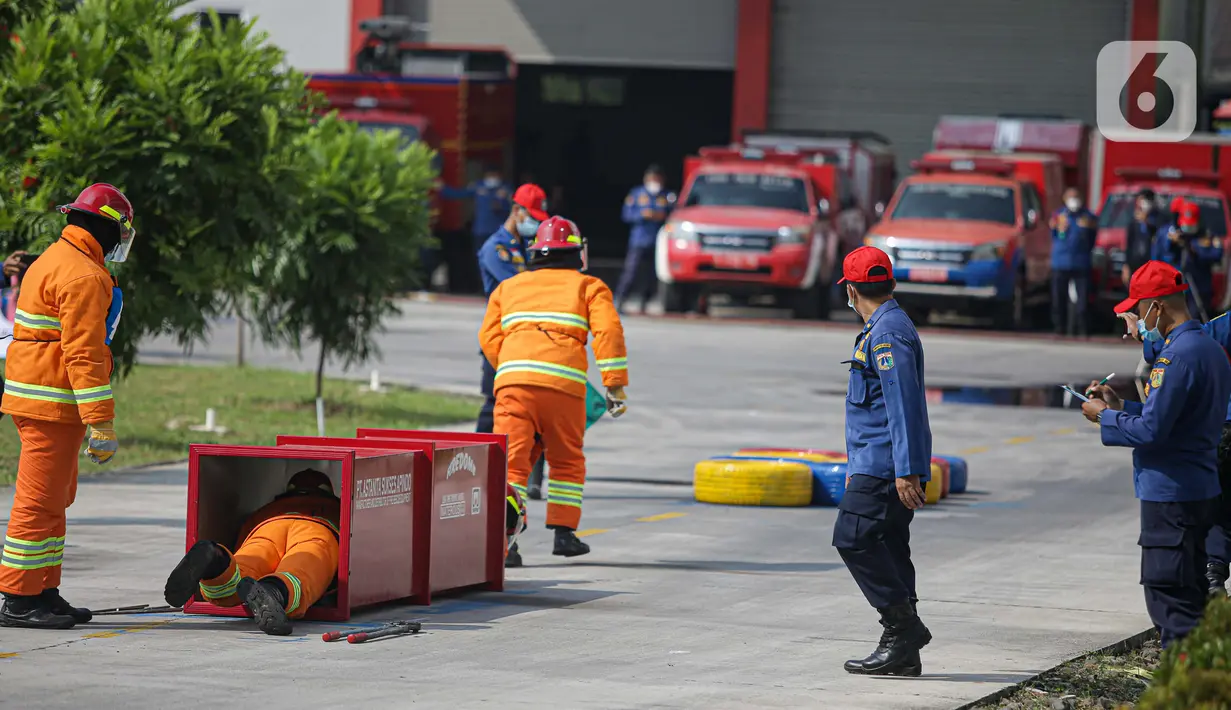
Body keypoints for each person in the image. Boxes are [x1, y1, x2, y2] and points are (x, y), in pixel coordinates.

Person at [0, 183, 133, 629]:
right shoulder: (84, 276)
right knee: (38, 504)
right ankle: (19, 599)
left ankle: (43, 590)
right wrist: (102, 422)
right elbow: (84, 354)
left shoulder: (53, 258)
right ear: (109, 228)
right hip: (51, 404)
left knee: (55, 500)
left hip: (43, 399)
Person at [1083, 260, 1230, 647]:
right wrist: (1119, 406)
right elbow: (1177, 417)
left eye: (1139, 310)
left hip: (1171, 497)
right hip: (1198, 489)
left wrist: (1105, 418)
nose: (1138, 320)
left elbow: (1153, 430)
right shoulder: (1209, 349)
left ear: (1157, 306)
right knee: (1192, 603)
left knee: (1171, 605)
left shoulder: (1175, 357)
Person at [479, 216, 628, 564]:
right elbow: (608, 333)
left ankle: (507, 546)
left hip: (514, 385)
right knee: (566, 461)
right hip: (564, 388)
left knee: (511, 466)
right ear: (576, 253)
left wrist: (514, 367)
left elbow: (488, 335)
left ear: (536, 253)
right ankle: (564, 534)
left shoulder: (509, 287)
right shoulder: (589, 287)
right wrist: (615, 385)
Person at [832, 245, 933, 676]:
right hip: (880, 460)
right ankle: (902, 651)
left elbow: (902, 403)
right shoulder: (887, 324)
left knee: (852, 537)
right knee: (890, 546)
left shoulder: (887, 333)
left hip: (884, 463)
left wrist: (907, 470)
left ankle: (903, 628)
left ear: (852, 291)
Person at [1125, 303, 1231, 598]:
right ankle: (1212, 574)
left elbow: (1194, 342)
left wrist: (1146, 337)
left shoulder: (1224, 325)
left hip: (1224, 426)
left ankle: (1211, 576)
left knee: (1215, 506)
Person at [163, 469, 341, 636]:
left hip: (266, 525)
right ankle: (274, 591)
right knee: (302, 571)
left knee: (242, 571)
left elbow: (244, 531)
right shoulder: (335, 508)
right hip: (319, 528)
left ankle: (216, 561)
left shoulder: (270, 506)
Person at [475, 183, 549, 515]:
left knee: (540, 409)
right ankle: (475, 468)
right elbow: (519, 288)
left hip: (530, 342)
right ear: (516, 211)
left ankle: (532, 479)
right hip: (501, 341)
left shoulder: (528, 246)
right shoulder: (497, 249)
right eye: (531, 217)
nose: (534, 224)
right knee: (493, 407)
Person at [615, 165, 676, 315]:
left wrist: (662, 217)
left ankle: (645, 302)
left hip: (658, 241)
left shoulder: (667, 196)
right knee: (631, 271)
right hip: (638, 240)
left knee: (652, 275)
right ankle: (619, 300)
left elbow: (674, 216)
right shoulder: (636, 194)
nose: (654, 181)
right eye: (652, 178)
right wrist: (643, 215)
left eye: (657, 178)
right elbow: (626, 215)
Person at [1152, 199, 1221, 321]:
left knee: (1197, 316)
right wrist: (1174, 243)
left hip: (1198, 287)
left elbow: (1216, 255)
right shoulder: (1168, 233)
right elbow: (1161, 256)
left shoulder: (1206, 236)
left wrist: (1194, 249)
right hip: (1176, 286)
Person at [1048, 188, 1098, 336]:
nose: (1074, 200)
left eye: (1076, 197)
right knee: (1058, 299)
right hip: (1060, 263)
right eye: (1071, 197)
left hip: (1080, 263)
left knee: (1082, 301)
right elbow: (1053, 235)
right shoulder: (1059, 216)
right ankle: (1059, 328)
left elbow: (1092, 238)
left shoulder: (1087, 217)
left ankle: (1082, 329)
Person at [1123, 188, 1159, 286]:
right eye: (1139, 200)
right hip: (1135, 262)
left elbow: (1157, 234)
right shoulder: (1134, 220)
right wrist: (1126, 265)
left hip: (1150, 263)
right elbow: (1129, 243)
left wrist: (1146, 221)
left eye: (1144, 200)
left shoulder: (1158, 218)